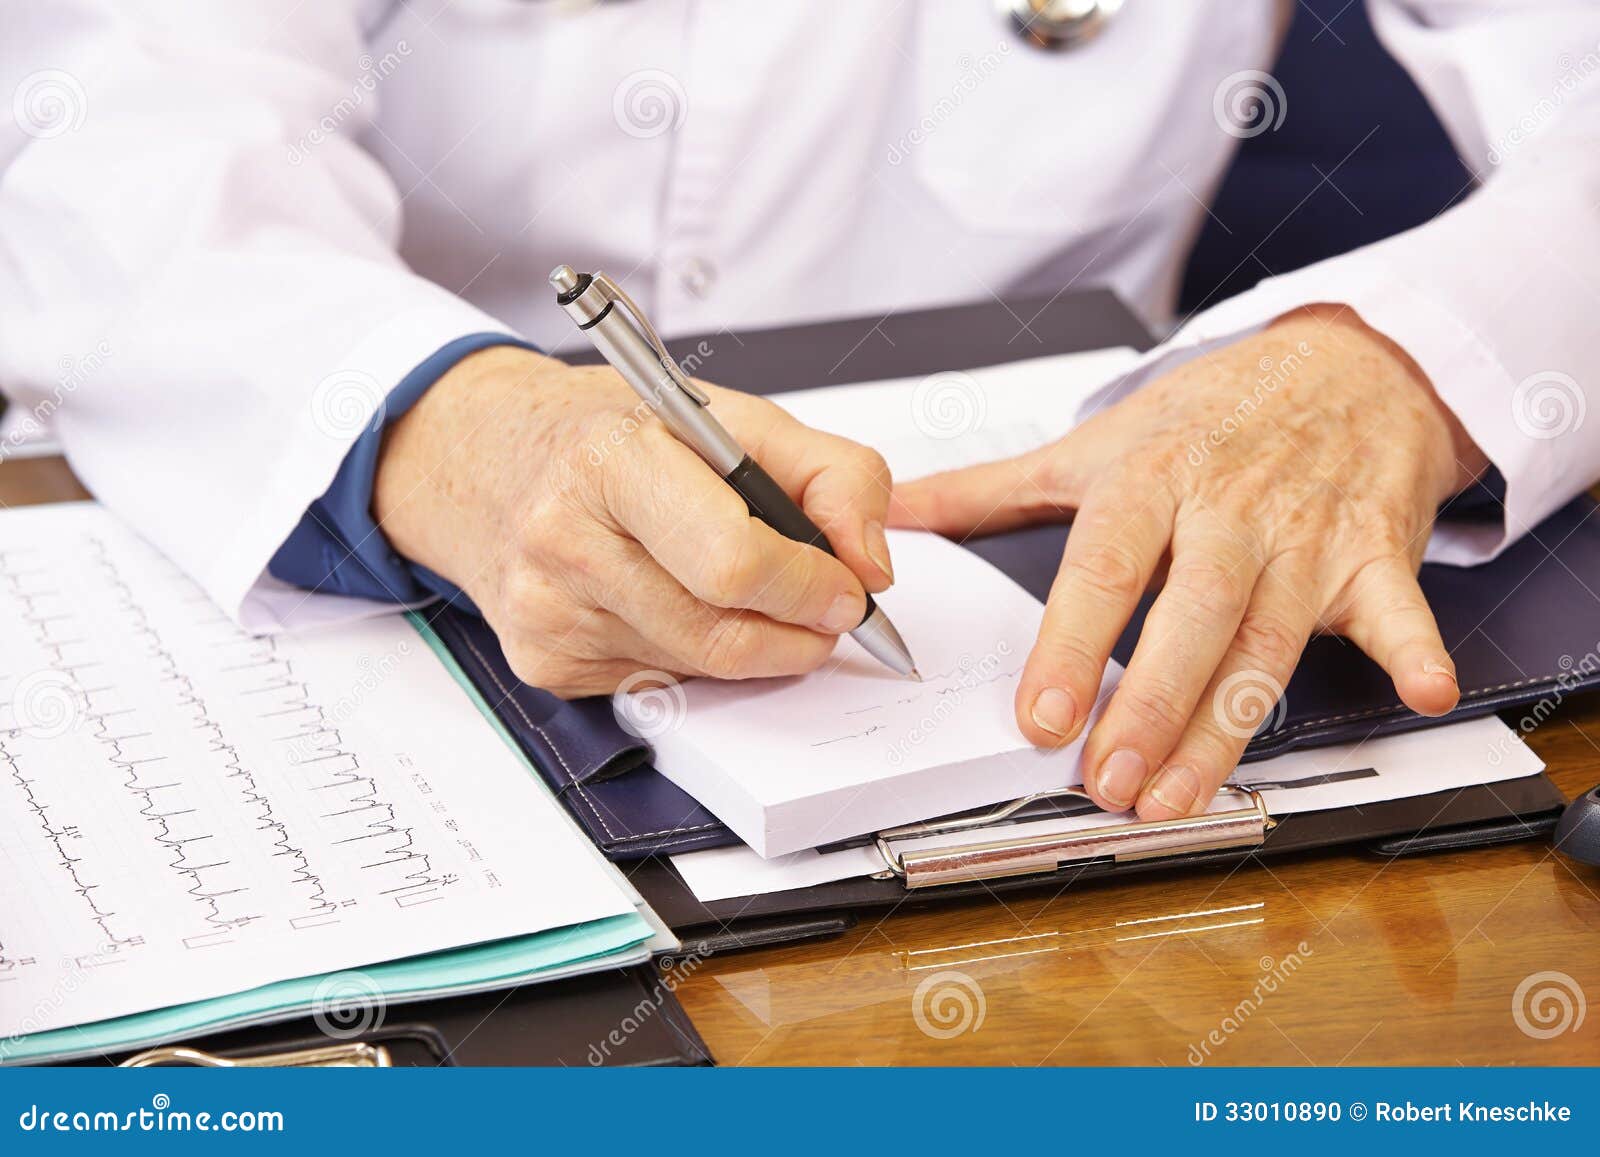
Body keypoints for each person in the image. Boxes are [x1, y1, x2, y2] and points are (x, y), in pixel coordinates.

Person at [2, 2, 1595, 824]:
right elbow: (119, 119)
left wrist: (1403, 357)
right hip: (383, 535)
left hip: (1050, 519)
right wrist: (443, 428)